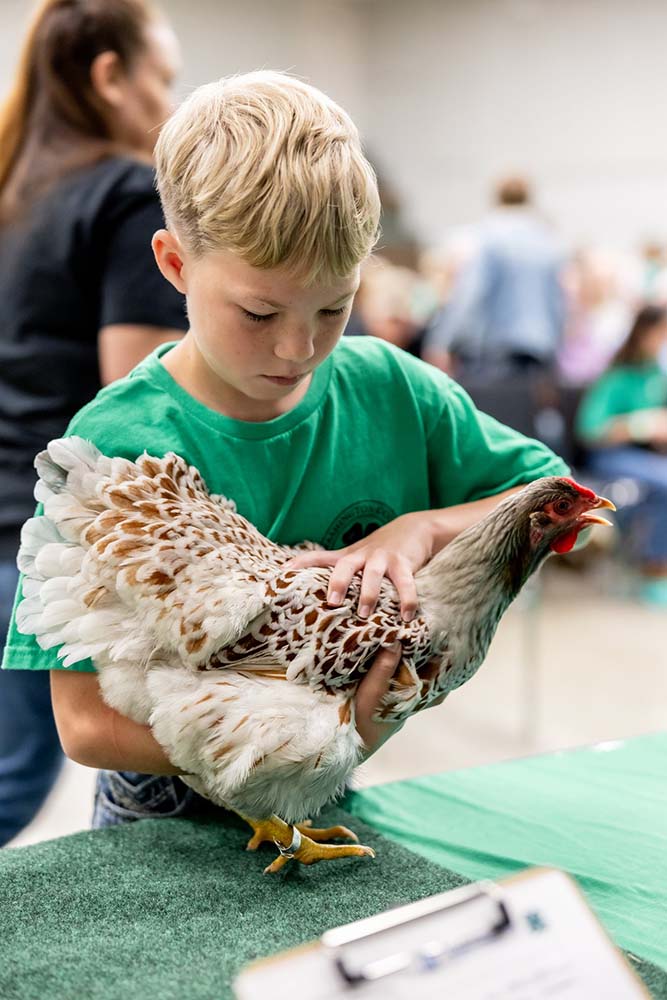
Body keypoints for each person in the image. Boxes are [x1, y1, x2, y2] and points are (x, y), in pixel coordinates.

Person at [2, 72, 568, 831]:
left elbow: (555, 497)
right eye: (258, 311)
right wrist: (299, 744)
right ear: (173, 264)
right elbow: (84, 725)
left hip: (330, 796)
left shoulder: (394, 391)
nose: (298, 347)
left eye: (335, 306)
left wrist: (422, 528)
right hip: (165, 821)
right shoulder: (112, 447)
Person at [0, 0, 187, 845]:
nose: (170, 104)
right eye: (163, 80)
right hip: (44, 553)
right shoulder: (123, 194)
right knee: (14, 780)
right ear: (110, 77)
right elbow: (136, 410)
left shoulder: (14, 194)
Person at [423, 175, 566, 379]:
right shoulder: (548, 241)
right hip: (541, 349)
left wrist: (441, 341)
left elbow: (471, 293)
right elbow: (558, 302)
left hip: (498, 351)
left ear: (496, 198)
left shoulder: (489, 237)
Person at [576, 304, 667, 605]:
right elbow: (591, 430)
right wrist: (639, 426)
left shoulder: (655, 374)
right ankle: (655, 570)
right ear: (645, 333)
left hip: (646, 458)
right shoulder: (617, 376)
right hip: (610, 456)